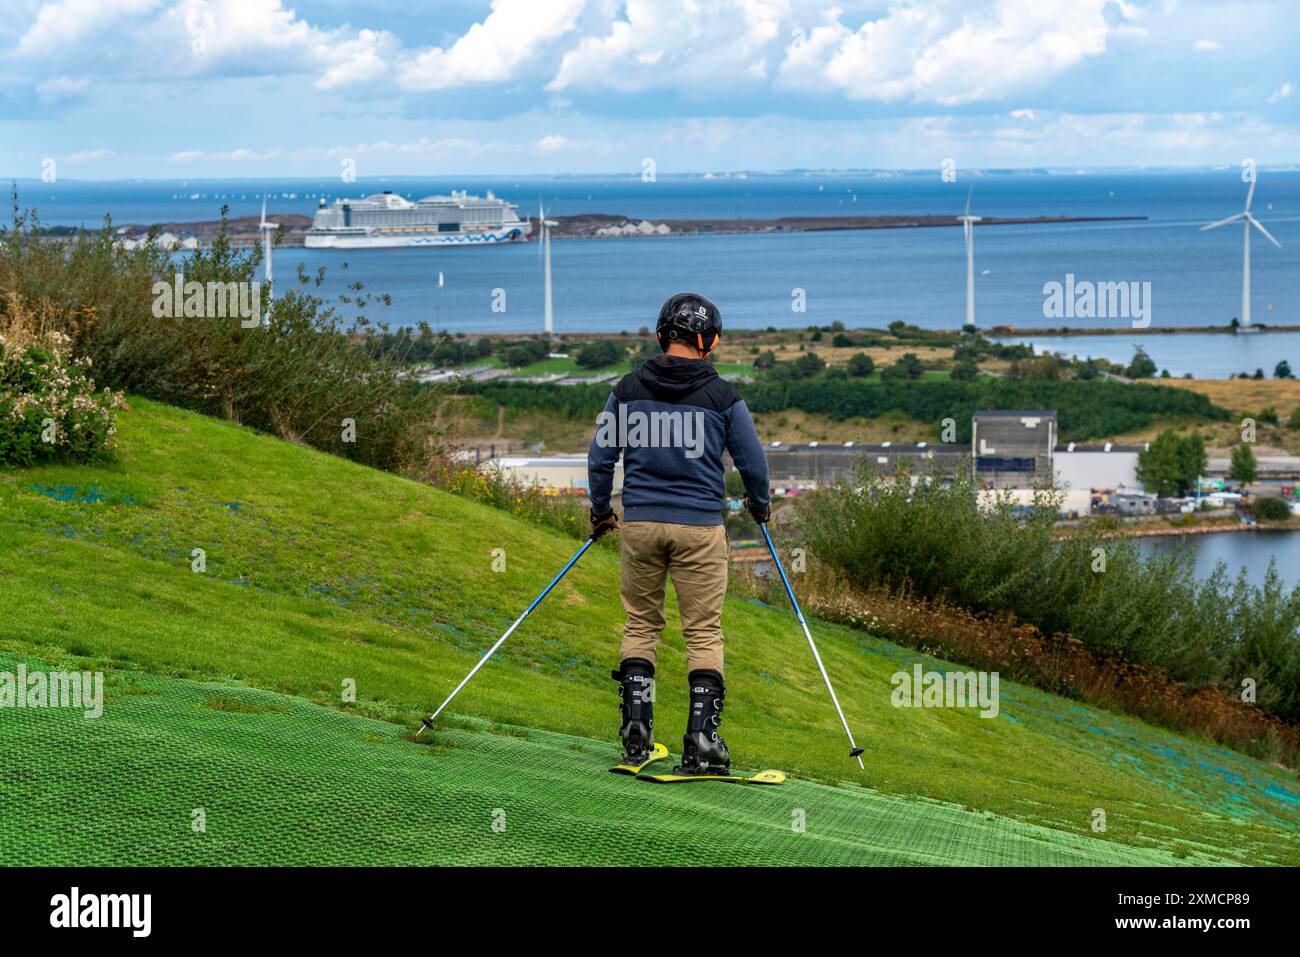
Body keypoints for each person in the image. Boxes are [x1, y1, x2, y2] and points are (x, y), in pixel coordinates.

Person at [587, 292, 770, 774]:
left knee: (641, 625)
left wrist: (602, 512)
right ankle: (702, 742)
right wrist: (761, 505)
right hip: (699, 528)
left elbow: (600, 457)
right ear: (708, 341)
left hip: (641, 526)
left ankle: (636, 732)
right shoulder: (724, 397)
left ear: (661, 335)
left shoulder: (627, 389)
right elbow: (753, 463)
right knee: (703, 632)